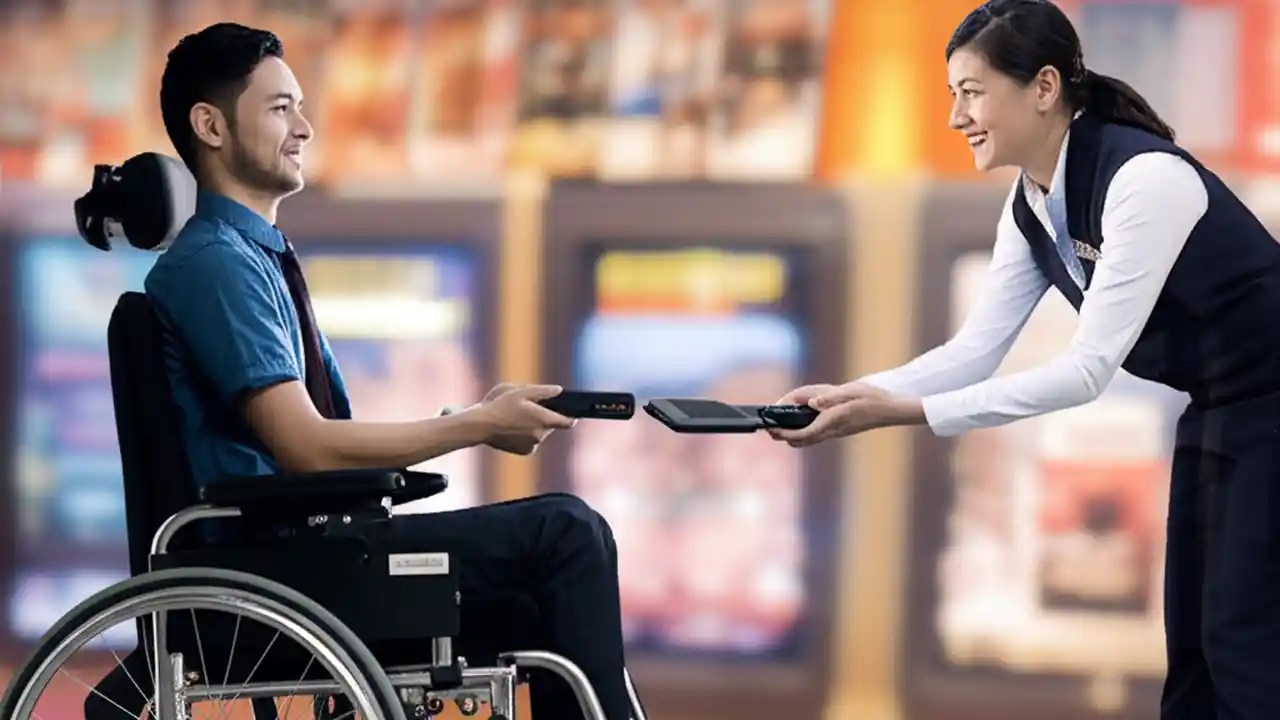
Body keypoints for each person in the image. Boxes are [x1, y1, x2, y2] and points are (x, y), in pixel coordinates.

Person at [771, 1, 1280, 718]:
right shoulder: (1033, 201)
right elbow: (973, 351)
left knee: (1242, 647)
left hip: (1269, 408)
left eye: (972, 92)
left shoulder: (1145, 179)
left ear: (1044, 87)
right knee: (1195, 655)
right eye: (954, 95)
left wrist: (903, 412)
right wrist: (852, 395)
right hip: (1223, 410)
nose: (956, 117)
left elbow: (1085, 371)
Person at [145, 23, 634, 720]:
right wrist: (476, 426)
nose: (305, 128)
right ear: (211, 126)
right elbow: (308, 448)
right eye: (281, 108)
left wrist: (471, 419)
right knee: (567, 533)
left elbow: (317, 445)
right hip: (284, 567)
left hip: (309, 549)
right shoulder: (216, 264)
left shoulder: (252, 257)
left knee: (538, 598)